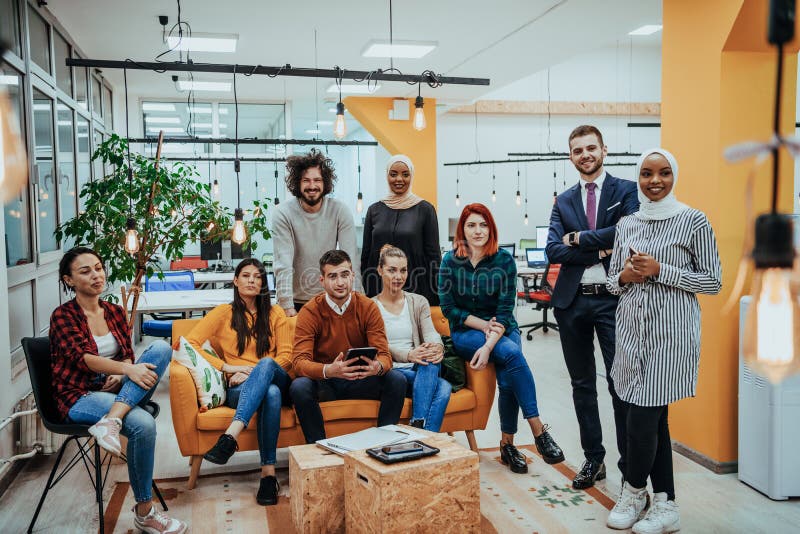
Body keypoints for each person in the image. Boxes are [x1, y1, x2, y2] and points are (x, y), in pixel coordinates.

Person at [605, 148, 720, 533]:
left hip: (671, 336)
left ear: (675, 176)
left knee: (642, 417)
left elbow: (712, 281)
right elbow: (611, 282)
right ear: (637, 178)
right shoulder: (627, 224)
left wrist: (660, 270)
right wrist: (625, 278)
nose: (655, 181)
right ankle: (666, 503)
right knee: (654, 420)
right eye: (647, 174)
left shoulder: (693, 221)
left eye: (664, 173)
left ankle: (634, 489)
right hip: (631, 335)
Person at [49, 247, 186, 534]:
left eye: (98, 267)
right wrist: (125, 370)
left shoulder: (113, 311)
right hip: (79, 395)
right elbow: (82, 359)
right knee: (144, 424)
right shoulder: (63, 316)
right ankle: (146, 513)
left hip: (117, 390)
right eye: (85, 271)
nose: (96, 275)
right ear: (69, 280)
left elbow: (127, 355)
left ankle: (112, 420)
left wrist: (123, 368)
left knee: (161, 347)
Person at [545, 124, 639, 489]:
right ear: (571, 157)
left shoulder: (626, 191)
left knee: (620, 384)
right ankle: (593, 459)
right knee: (582, 385)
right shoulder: (564, 200)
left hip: (613, 299)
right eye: (577, 150)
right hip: (571, 303)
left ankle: (630, 467)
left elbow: (627, 231)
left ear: (603, 150)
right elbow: (554, 249)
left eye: (590, 148)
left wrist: (581, 239)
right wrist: (600, 248)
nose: (584, 155)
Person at [439, 204, 564, 474]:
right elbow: (450, 311)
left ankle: (508, 445)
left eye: (483, 225)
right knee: (513, 354)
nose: (478, 230)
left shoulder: (504, 261)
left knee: (508, 375)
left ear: (491, 228)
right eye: (471, 225)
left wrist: (487, 346)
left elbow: (505, 312)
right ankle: (539, 432)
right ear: (462, 229)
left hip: (502, 328)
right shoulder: (450, 261)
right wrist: (484, 330)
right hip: (465, 331)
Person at [185, 258, 293, 506]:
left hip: (276, 375)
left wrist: (252, 371)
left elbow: (286, 357)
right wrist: (227, 368)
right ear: (235, 280)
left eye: (257, 276)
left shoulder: (276, 313)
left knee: (267, 367)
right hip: (240, 388)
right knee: (271, 394)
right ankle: (268, 476)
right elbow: (188, 343)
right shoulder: (223, 313)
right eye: (245, 275)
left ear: (263, 284)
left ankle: (230, 436)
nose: (251, 280)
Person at [289, 249, 406, 443]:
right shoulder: (310, 311)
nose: (340, 282)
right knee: (299, 386)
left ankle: (384, 444)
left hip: (360, 379)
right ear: (322, 281)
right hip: (326, 383)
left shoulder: (368, 307)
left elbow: (385, 356)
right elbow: (299, 363)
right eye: (332, 276)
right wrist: (329, 370)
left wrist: (376, 367)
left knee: (396, 380)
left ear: (353, 276)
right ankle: (318, 447)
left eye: (344, 275)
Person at [272, 148, 361, 317]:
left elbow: (351, 260)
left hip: (332, 299)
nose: (312, 186)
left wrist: (356, 298)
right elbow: (283, 263)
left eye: (317, 180)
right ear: (297, 183)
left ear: (325, 183)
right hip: (296, 301)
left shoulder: (340, 211)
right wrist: (286, 304)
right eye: (306, 180)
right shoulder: (283, 213)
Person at [372, 244, 451, 432]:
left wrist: (437, 347)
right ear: (380, 270)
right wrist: (409, 354)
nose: (398, 277)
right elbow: (377, 346)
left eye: (403, 270)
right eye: (392, 270)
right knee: (444, 387)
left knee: (429, 358)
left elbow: (430, 332)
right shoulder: (370, 306)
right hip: (392, 372)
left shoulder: (418, 301)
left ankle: (418, 424)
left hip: (419, 368)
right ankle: (424, 436)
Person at [361, 154, 441, 304]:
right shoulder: (374, 210)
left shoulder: (425, 209)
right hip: (378, 287)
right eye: (393, 174)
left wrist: (436, 294)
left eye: (405, 174)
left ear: (412, 176)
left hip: (416, 287)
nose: (399, 179)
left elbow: (434, 256)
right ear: (387, 176)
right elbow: (366, 255)